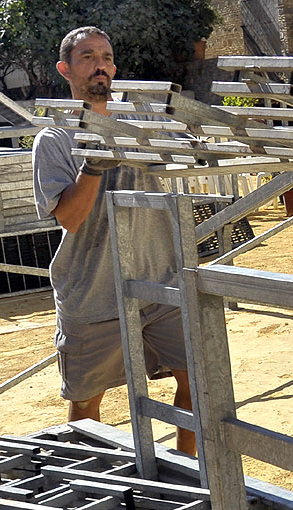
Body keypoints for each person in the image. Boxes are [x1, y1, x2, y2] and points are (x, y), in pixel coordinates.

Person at [32, 26, 196, 455]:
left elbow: (189, 160)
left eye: (105, 57)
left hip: (161, 281)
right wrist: (92, 165)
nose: (99, 65)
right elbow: (70, 217)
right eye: (87, 57)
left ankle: (188, 472)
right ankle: (92, 479)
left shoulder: (143, 122)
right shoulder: (54, 138)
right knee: (86, 403)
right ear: (65, 69)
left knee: (198, 381)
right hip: (93, 291)